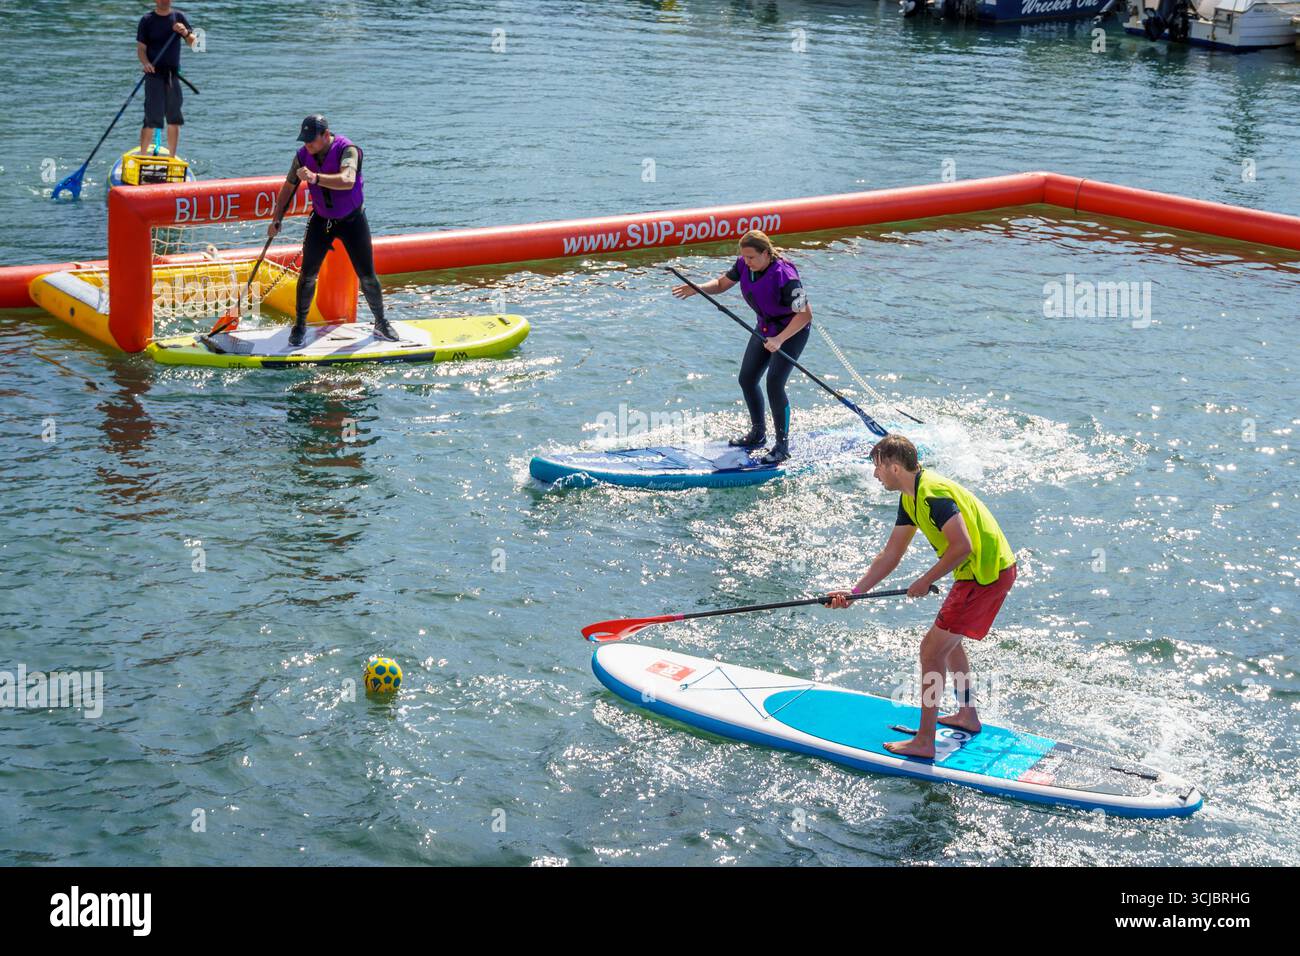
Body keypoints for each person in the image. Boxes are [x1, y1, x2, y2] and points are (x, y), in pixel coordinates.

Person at [827, 434, 1017, 758]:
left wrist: (924, 580)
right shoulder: (911, 498)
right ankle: (967, 715)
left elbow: (963, 546)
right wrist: (856, 593)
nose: (875, 475)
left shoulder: (932, 495)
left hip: (986, 576)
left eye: (878, 468)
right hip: (977, 574)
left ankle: (925, 741)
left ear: (895, 467)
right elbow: (891, 554)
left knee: (930, 652)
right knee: (948, 646)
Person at [671, 231, 812, 464]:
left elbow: (805, 315)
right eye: (744, 257)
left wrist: (780, 339)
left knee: (775, 384)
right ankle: (758, 434)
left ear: (766, 254)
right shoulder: (744, 265)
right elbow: (720, 284)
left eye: (751, 257)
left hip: (791, 332)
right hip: (765, 328)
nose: (746, 262)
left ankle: (782, 446)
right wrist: (698, 288)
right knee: (747, 379)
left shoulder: (785, 276)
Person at [267, 115, 396, 348]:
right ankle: (300, 325)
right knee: (307, 275)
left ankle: (381, 322)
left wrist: (315, 178)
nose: (307, 145)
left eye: (312, 140)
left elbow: (347, 180)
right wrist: (277, 218)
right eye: (304, 140)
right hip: (321, 221)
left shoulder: (348, 150)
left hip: (352, 220)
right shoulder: (301, 156)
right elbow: (288, 187)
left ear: (326, 135)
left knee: (367, 276)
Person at [136, 0, 196, 157]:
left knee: (174, 119)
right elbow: (141, 49)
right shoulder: (147, 20)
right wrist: (146, 63)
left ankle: (171, 158)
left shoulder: (179, 17)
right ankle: (143, 157)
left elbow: (194, 43)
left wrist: (185, 33)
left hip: (172, 76)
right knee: (151, 119)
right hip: (154, 75)